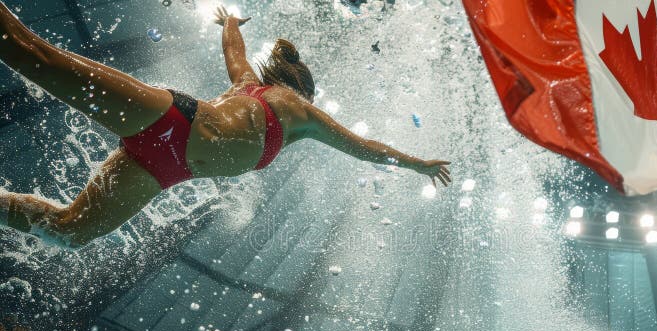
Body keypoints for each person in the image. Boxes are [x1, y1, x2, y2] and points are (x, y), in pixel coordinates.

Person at [0, 4, 451, 247]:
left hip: (160, 170)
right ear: (303, 90)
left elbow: (234, 51)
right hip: (171, 119)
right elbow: (361, 145)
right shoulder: (299, 110)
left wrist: (231, 23)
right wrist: (415, 164)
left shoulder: (247, 83)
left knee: (70, 231)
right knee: (34, 56)